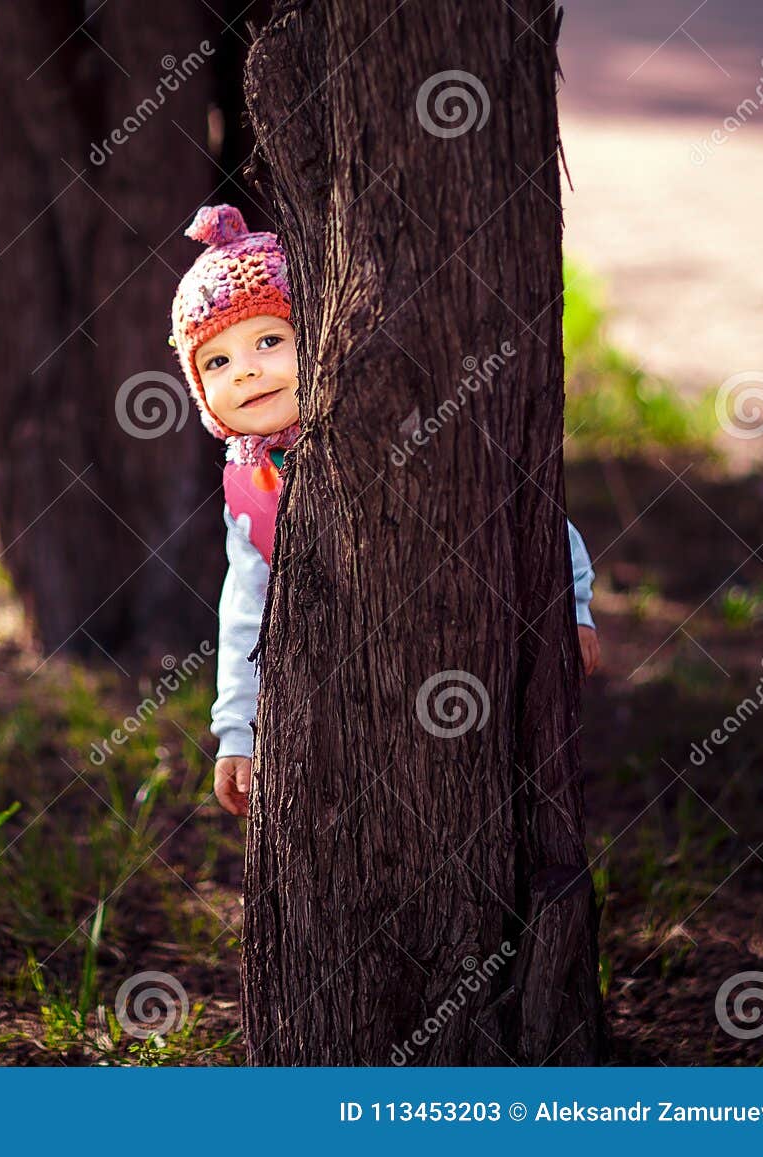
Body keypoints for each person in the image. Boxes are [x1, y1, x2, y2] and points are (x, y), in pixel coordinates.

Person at [168, 204, 601, 818]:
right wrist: (238, 731)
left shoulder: (384, 433)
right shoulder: (251, 482)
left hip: (467, 656)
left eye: (270, 340)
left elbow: (525, 508)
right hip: (345, 702)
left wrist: (572, 605)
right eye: (217, 361)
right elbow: (246, 608)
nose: (246, 371)